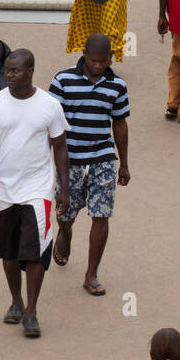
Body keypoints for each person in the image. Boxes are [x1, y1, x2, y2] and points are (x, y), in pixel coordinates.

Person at [0, 49, 69, 339]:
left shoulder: (50, 105)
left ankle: (32, 312)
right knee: (8, 249)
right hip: (2, 186)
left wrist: (63, 187)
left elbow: (60, 147)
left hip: (37, 187)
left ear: (30, 71)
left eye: (15, 71)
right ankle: (16, 301)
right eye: (7, 70)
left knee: (36, 249)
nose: (9, 75)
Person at [49, 34, 130, 295]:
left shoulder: (117, 85)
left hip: (102, 159)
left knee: (101, 216)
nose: (97, 66)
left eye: (103, 62)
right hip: (69, 160)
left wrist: (124, 164)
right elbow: (51, 123)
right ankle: (66, 233)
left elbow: (119, 123)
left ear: (110, 58)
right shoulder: (62, 81)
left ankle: (91, 274)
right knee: (65, 214)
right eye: (93, 61)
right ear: (83, 54)